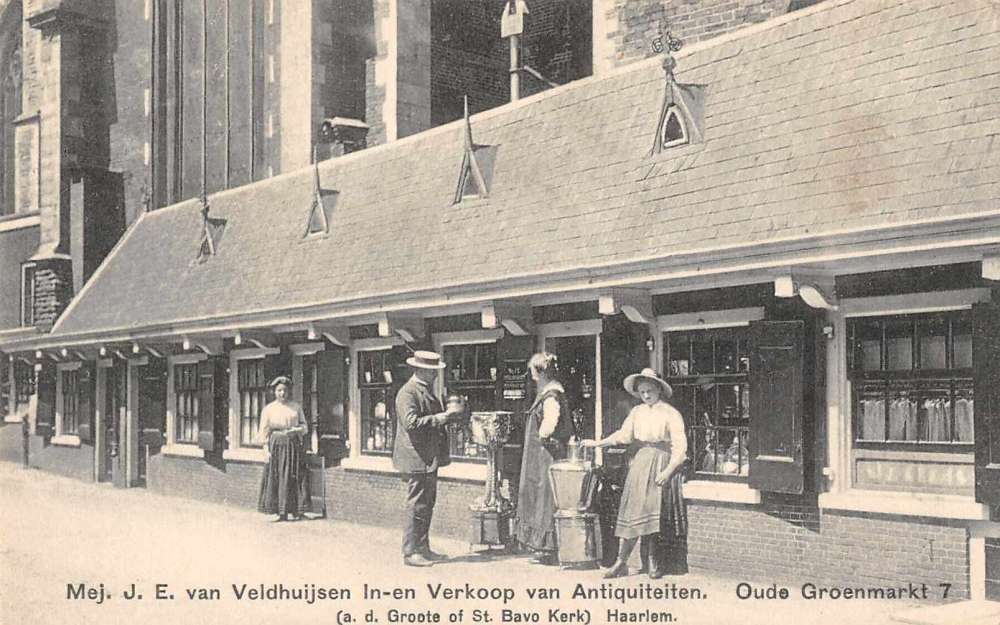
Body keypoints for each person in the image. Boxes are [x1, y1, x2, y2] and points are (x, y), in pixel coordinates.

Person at [583, 367, 687, 579]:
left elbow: (680, 447)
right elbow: (623, 435)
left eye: (650, 391)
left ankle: (653, 561)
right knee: (632, 512)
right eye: (642, 392)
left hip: (660, 462)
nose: (646, 395)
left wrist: (668, 471)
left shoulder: (670, 413)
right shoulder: (637, 412)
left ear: (659, 389)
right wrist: (598, 443)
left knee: (652, 510)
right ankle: (621, 562)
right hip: (640, 463)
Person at [392, 350, 465, 567]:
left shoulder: (425, 391)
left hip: (427, 458)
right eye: (432, 371)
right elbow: (411, 423)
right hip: (416, 458)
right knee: (416, 505)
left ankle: (422, 548)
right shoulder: (407, 393)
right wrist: (441, 417)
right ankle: (410, 552)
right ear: (421, 370)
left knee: (426, 504)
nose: (435, 375)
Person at [515, 352, 574, 564]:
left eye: (533, 371)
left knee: (545, 498)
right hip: (539, 456)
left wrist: (542, 435)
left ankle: (548, 548)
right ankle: (541, 546)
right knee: (538, 496)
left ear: (540, 372)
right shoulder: (548, 393)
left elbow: (550, 423)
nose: (531, 375)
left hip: (546, 455)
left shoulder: (551, 395)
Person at [257, 376, 311, 522]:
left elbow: (305, 426)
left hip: (293, 446)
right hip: (276, 446)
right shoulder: (269, 409)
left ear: (289, 392)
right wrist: (266, 450)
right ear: (274, 392)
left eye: (285, 390)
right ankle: (279, 512)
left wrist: (296, 430)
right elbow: (264, 431)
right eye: (279, 390)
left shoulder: (296, 407)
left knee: (293, 476)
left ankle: (296, 510)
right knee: (278, 476)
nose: (282, 393)